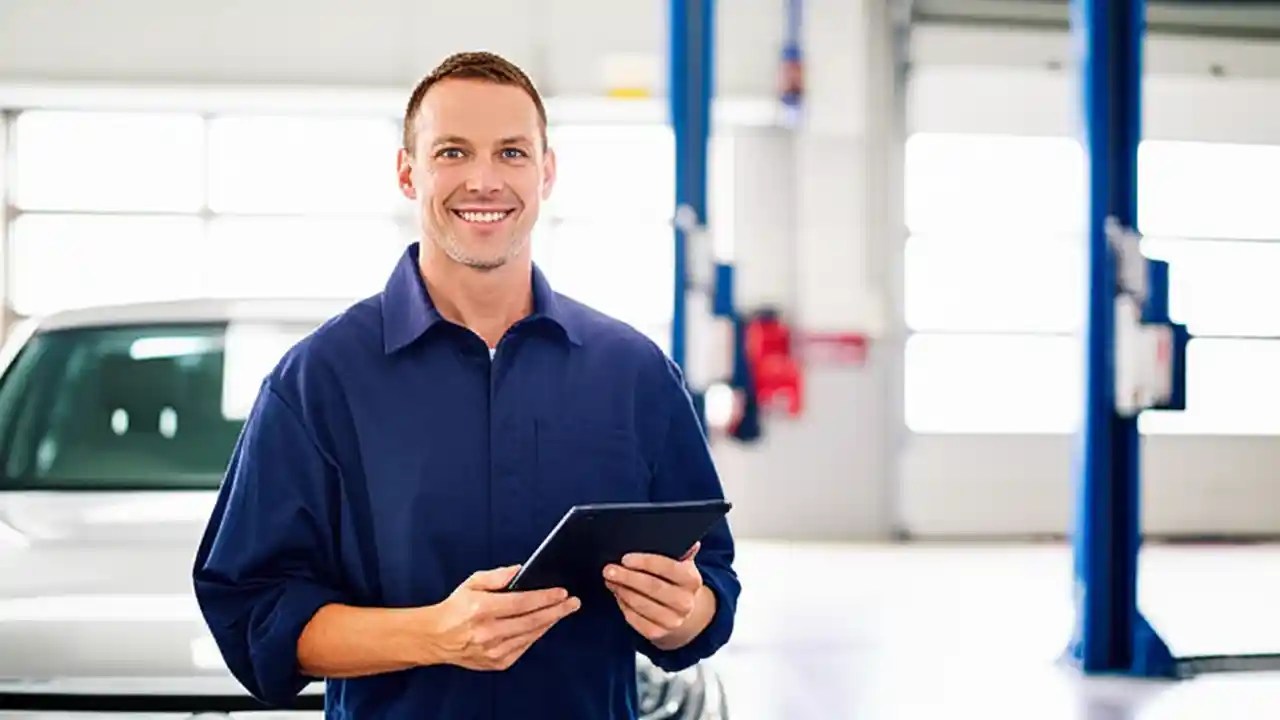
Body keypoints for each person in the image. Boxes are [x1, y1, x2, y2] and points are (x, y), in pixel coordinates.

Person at [191, 50, 739, 719]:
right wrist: (433, 635)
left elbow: (710, 586)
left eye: (512, 153)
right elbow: (253, 610)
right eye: (452, 152)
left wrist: (681, 613)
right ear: (407, 172)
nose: (484, 181)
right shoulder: (320, 379)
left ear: (546, 172)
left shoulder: (634, 374)